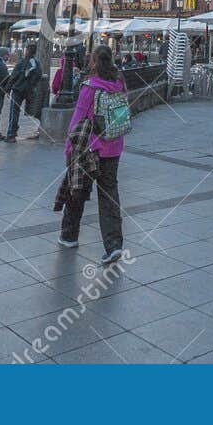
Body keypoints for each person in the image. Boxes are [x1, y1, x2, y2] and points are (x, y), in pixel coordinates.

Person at [55, 45, 128, 265]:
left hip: (89, 148)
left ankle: (69, 235)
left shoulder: (90, 86)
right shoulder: (119, 84)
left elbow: (78, 118)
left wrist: (69, 146)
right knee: (109, 195)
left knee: (77, 190)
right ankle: (114, 245)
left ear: (94, 61)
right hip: (113, 147)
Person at [4, 43, 40, 142]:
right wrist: (32, 85)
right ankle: (15, 131)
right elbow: (38, 76)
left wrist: (8, 89)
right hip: (29, 91)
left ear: (27, 51)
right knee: (29, 111)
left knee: (14, 112)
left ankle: (11, 134)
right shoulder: (37, 64)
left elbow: (13, 77)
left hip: (18, 90)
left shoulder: (21, 63)